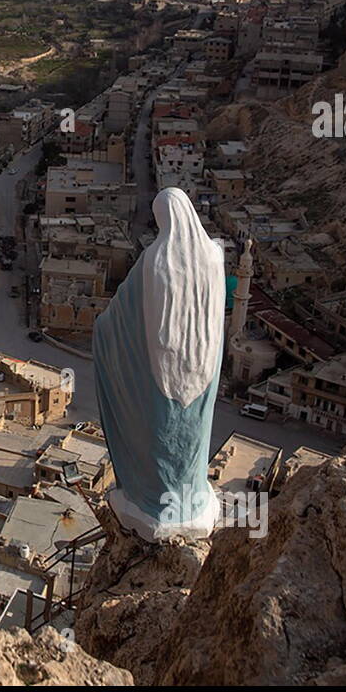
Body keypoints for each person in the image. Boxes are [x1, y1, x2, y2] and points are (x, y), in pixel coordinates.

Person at [93, 186, 224, 540]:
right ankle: (190, 499)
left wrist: (102, 330)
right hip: (203, 363)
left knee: (155, 436)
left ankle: (152, 502)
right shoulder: (214, 255)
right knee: (191, 437)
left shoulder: (155, 258)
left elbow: (122, 310)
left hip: (158, 368)